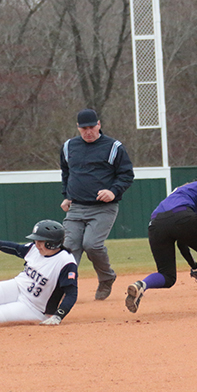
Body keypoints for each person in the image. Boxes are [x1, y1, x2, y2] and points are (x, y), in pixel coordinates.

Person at [124, 171, 197, 314]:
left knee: (167, 275)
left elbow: (182, 240)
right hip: (182, 216)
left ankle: (141, 285)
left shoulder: (181, 190)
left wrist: (194, 266)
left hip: (156, 223)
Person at [60, 108, 134, 300]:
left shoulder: (114, 147)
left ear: (99, 124)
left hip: (103, 207)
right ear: (78, 128)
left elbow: (126, 175)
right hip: (76, 206)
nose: (88, 131)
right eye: (84, 128)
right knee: (69, 248)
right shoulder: (69, 147)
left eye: (92, 127)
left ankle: (106, 277)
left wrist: (113, 191)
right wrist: (67, 196)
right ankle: (66, 289)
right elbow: (67, 173)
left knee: (91, 244)